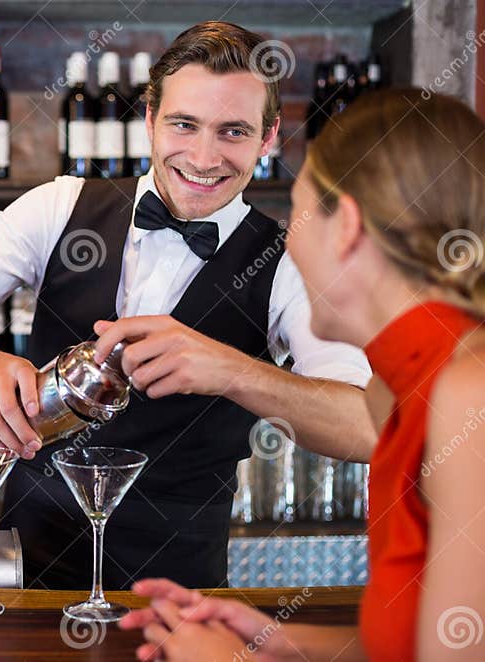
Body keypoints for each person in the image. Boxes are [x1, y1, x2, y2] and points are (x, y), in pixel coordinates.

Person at [0, 21, 375, 590]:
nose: (203, 157)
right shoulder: (60, 207)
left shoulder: (288, 259)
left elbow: (366, 429)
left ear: (269, 137)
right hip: (30, 582)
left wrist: (232, 371)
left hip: (181, 597)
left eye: (233, 132)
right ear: (150, 119)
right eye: (184, 124)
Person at [121, 89, 485, 662]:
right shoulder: (403, 386)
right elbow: (417, 646)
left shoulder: (467, 394)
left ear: (346, 228)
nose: (287, 236)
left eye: (298, 210)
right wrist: (277, 642)